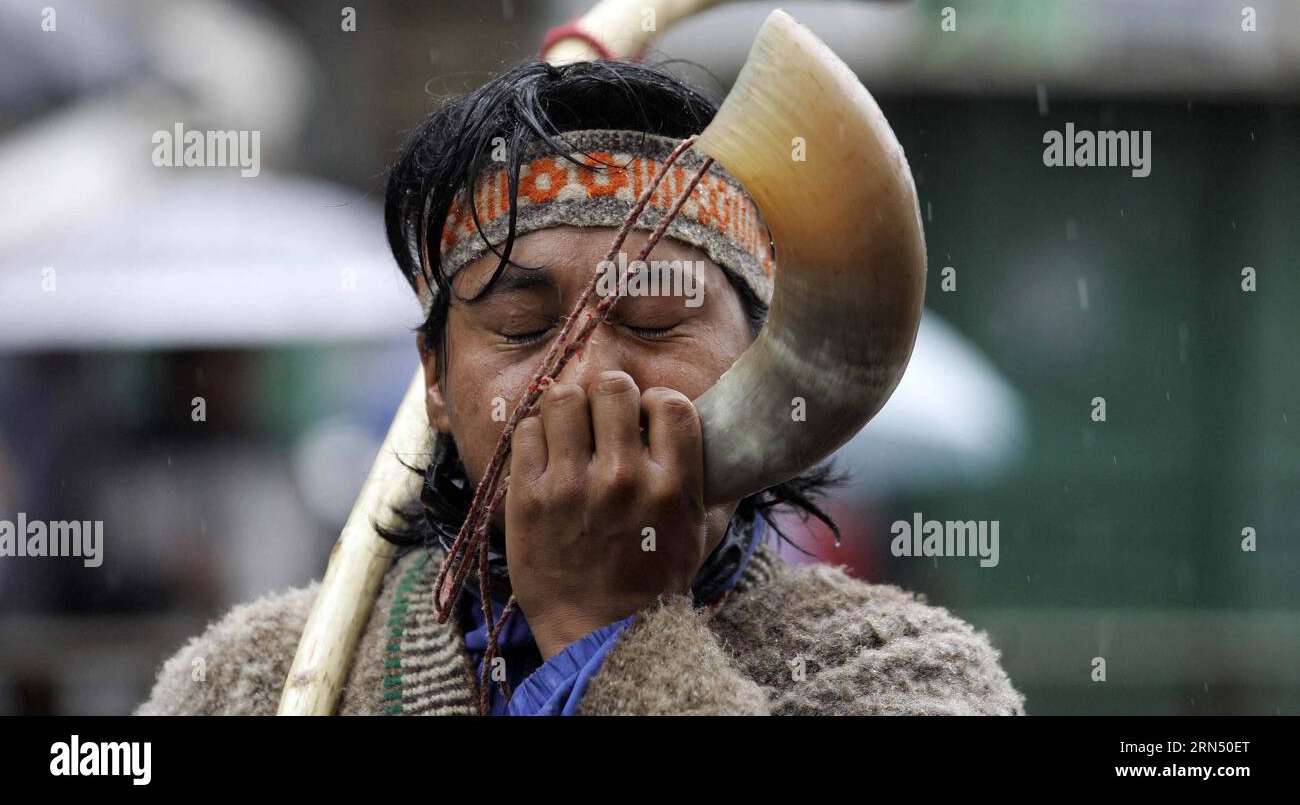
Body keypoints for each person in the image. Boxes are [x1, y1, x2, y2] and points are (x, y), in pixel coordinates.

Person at [138, 59, 1025, 716]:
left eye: (654, 320)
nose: (590, 376)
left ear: (759, 358)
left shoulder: (907, 673)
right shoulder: (248, 683)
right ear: (436, 381)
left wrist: (604, 623)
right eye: (523, 329)